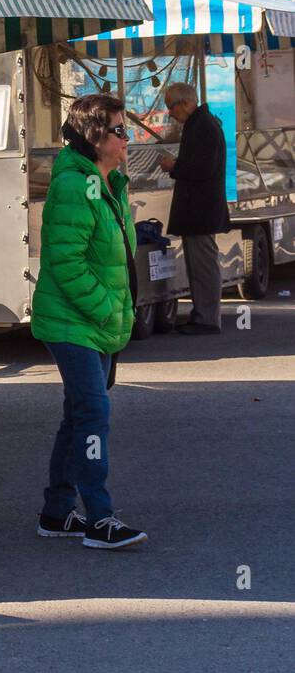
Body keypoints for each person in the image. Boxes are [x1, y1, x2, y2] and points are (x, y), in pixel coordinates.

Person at [31, 94, 147, 549]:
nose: (127, 139)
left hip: (91, 323)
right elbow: (67, 264)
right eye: (120, 131)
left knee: (76, 416)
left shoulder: (107, 183)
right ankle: (100, 518)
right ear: (96, 136)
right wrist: (107, 309)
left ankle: (57, 513)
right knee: (93, 414)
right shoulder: (75, 186)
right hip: (73, 322)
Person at [157, 82, 230, 335]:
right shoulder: (200, 124)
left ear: (186, 103)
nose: (170, 112)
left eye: (171, 106)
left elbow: (202, 169)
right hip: (199, 209)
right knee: (197, 265)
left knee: (203, 265)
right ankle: (201, 314)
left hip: (201, 209)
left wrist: (173, 167)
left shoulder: (204, 126)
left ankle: (208, 319)